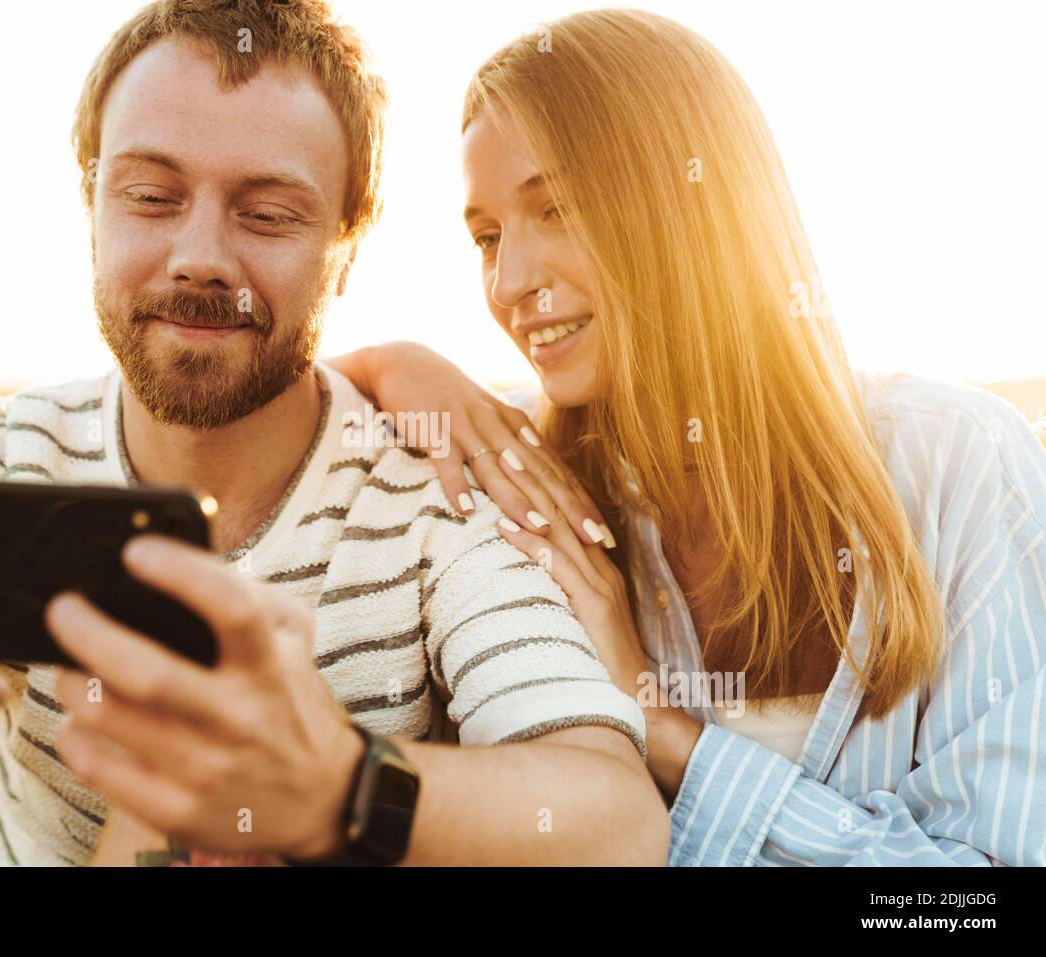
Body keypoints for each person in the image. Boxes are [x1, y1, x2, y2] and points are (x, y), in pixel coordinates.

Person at [0, 0, 667, 867]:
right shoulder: (8, 459)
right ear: (92, 207)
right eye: (151, 196)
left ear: (346, 249)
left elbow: (615, 822)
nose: (200, 257)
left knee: (187, 802)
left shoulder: (440, 493)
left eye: (267, 214)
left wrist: (337, 784)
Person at [329, 9, 1046, 865]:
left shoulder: (960, 464)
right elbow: (260, 423)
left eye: (554, 207)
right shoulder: (520, 472)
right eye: (487, 238)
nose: (510, 281)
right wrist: (387, 362)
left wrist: (665, 733)